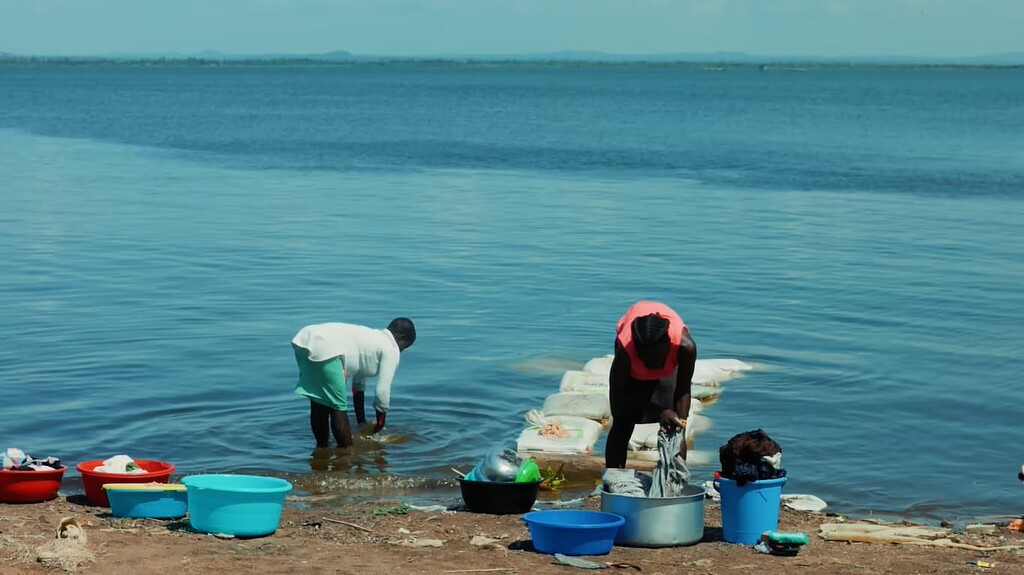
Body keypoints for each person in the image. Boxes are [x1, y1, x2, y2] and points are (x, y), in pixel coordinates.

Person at [291, 318, 416, 448]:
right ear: (401, 337)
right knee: (338, 407)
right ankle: (346, 454)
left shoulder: (371, 338)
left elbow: (358, 387)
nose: (401, 351)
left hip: (304, 340)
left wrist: (361, 422)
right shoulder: (391, 348)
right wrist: (380, 423)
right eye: (404, 347)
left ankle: (322, 449)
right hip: (327, 348)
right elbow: (382, 391)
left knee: (319, 403)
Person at [605, 301, 696, 469]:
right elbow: (618, 399)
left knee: (675, 428)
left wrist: (681, 423)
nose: (649, 362)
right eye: (643, 356)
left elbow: (683, 388)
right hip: (631, 372)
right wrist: (659, 411)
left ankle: (675, 479)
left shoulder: (685, 348)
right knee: (622, 422)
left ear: (667, 345)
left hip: (668, 366)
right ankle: (614, 477)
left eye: (654, 356)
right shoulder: (626, 352)